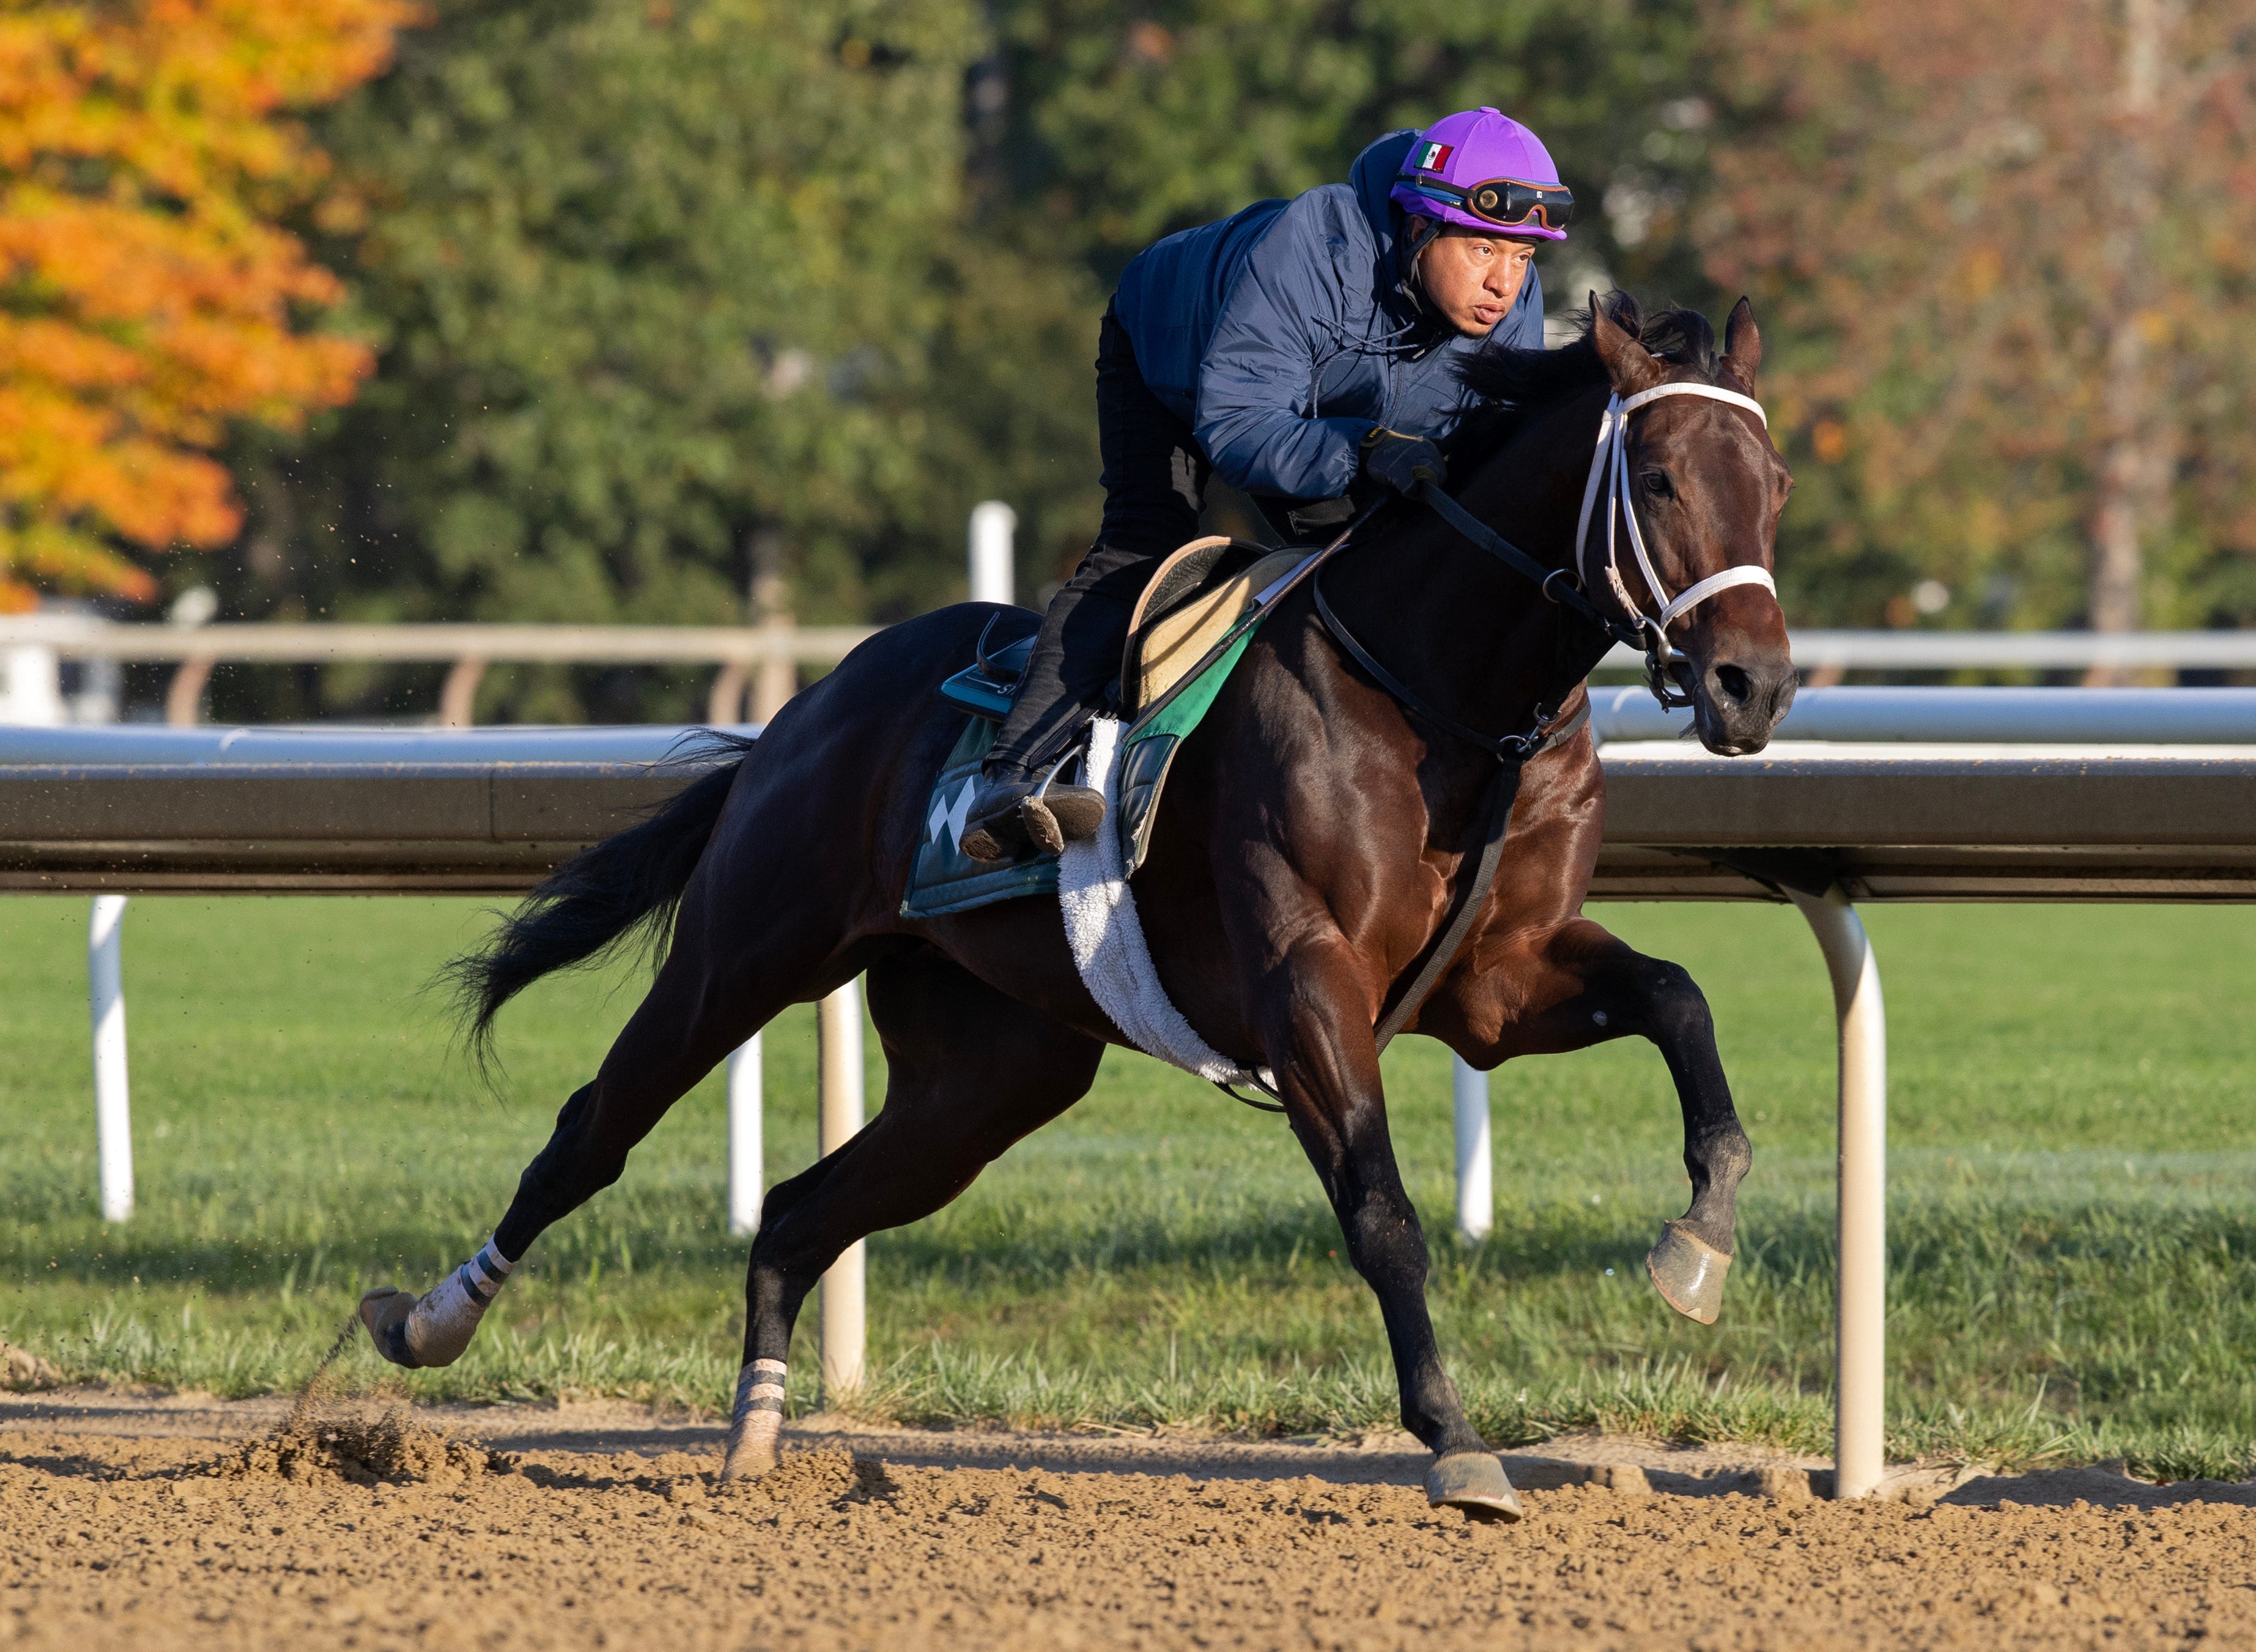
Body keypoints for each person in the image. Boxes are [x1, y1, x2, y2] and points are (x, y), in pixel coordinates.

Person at [960, 106, 1574, 862]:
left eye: (1522, 257)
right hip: (1177, 370)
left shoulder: (1513, 309)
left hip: (1322, 412)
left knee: (1393, 557)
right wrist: (1367, 448)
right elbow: (1240, 428)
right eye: (1482, 249)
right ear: (1418, 228)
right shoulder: (1314, 247)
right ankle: (1013, 776)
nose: (1504, 284)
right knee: (1144, 542)